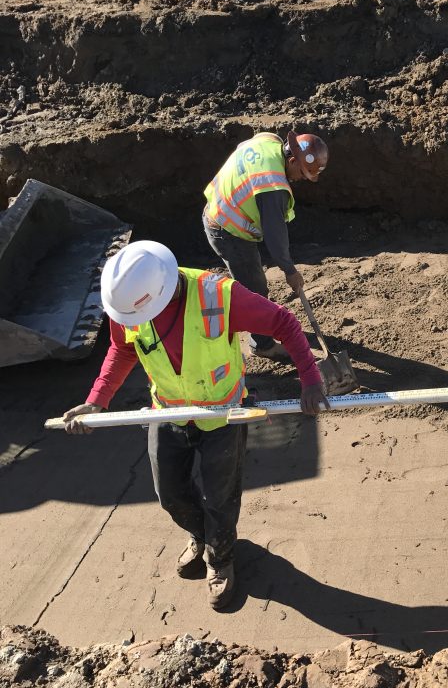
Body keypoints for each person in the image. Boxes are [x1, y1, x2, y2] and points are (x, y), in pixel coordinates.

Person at [62, 240, 328, 611]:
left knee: (220, 497)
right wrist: (97, 399)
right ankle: (200, 535)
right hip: (167, 410)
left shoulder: (218, 295)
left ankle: (220, 560)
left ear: (160, 294)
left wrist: (310, 379)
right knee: (168, 492)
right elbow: (122, 348)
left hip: (222, 412)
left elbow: (282, 321)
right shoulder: (130, 304)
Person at [202, 129, 329, 362]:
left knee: (250, 283)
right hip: (226, 230)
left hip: (219, 208)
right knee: (255, 291)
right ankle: (262, 345)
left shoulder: (269, 141)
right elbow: (275, 236)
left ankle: (256, 326)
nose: (301, 179)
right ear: (291, 160)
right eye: (301, 173)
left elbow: (245, 144)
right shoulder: (273, 188)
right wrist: (289, 270)